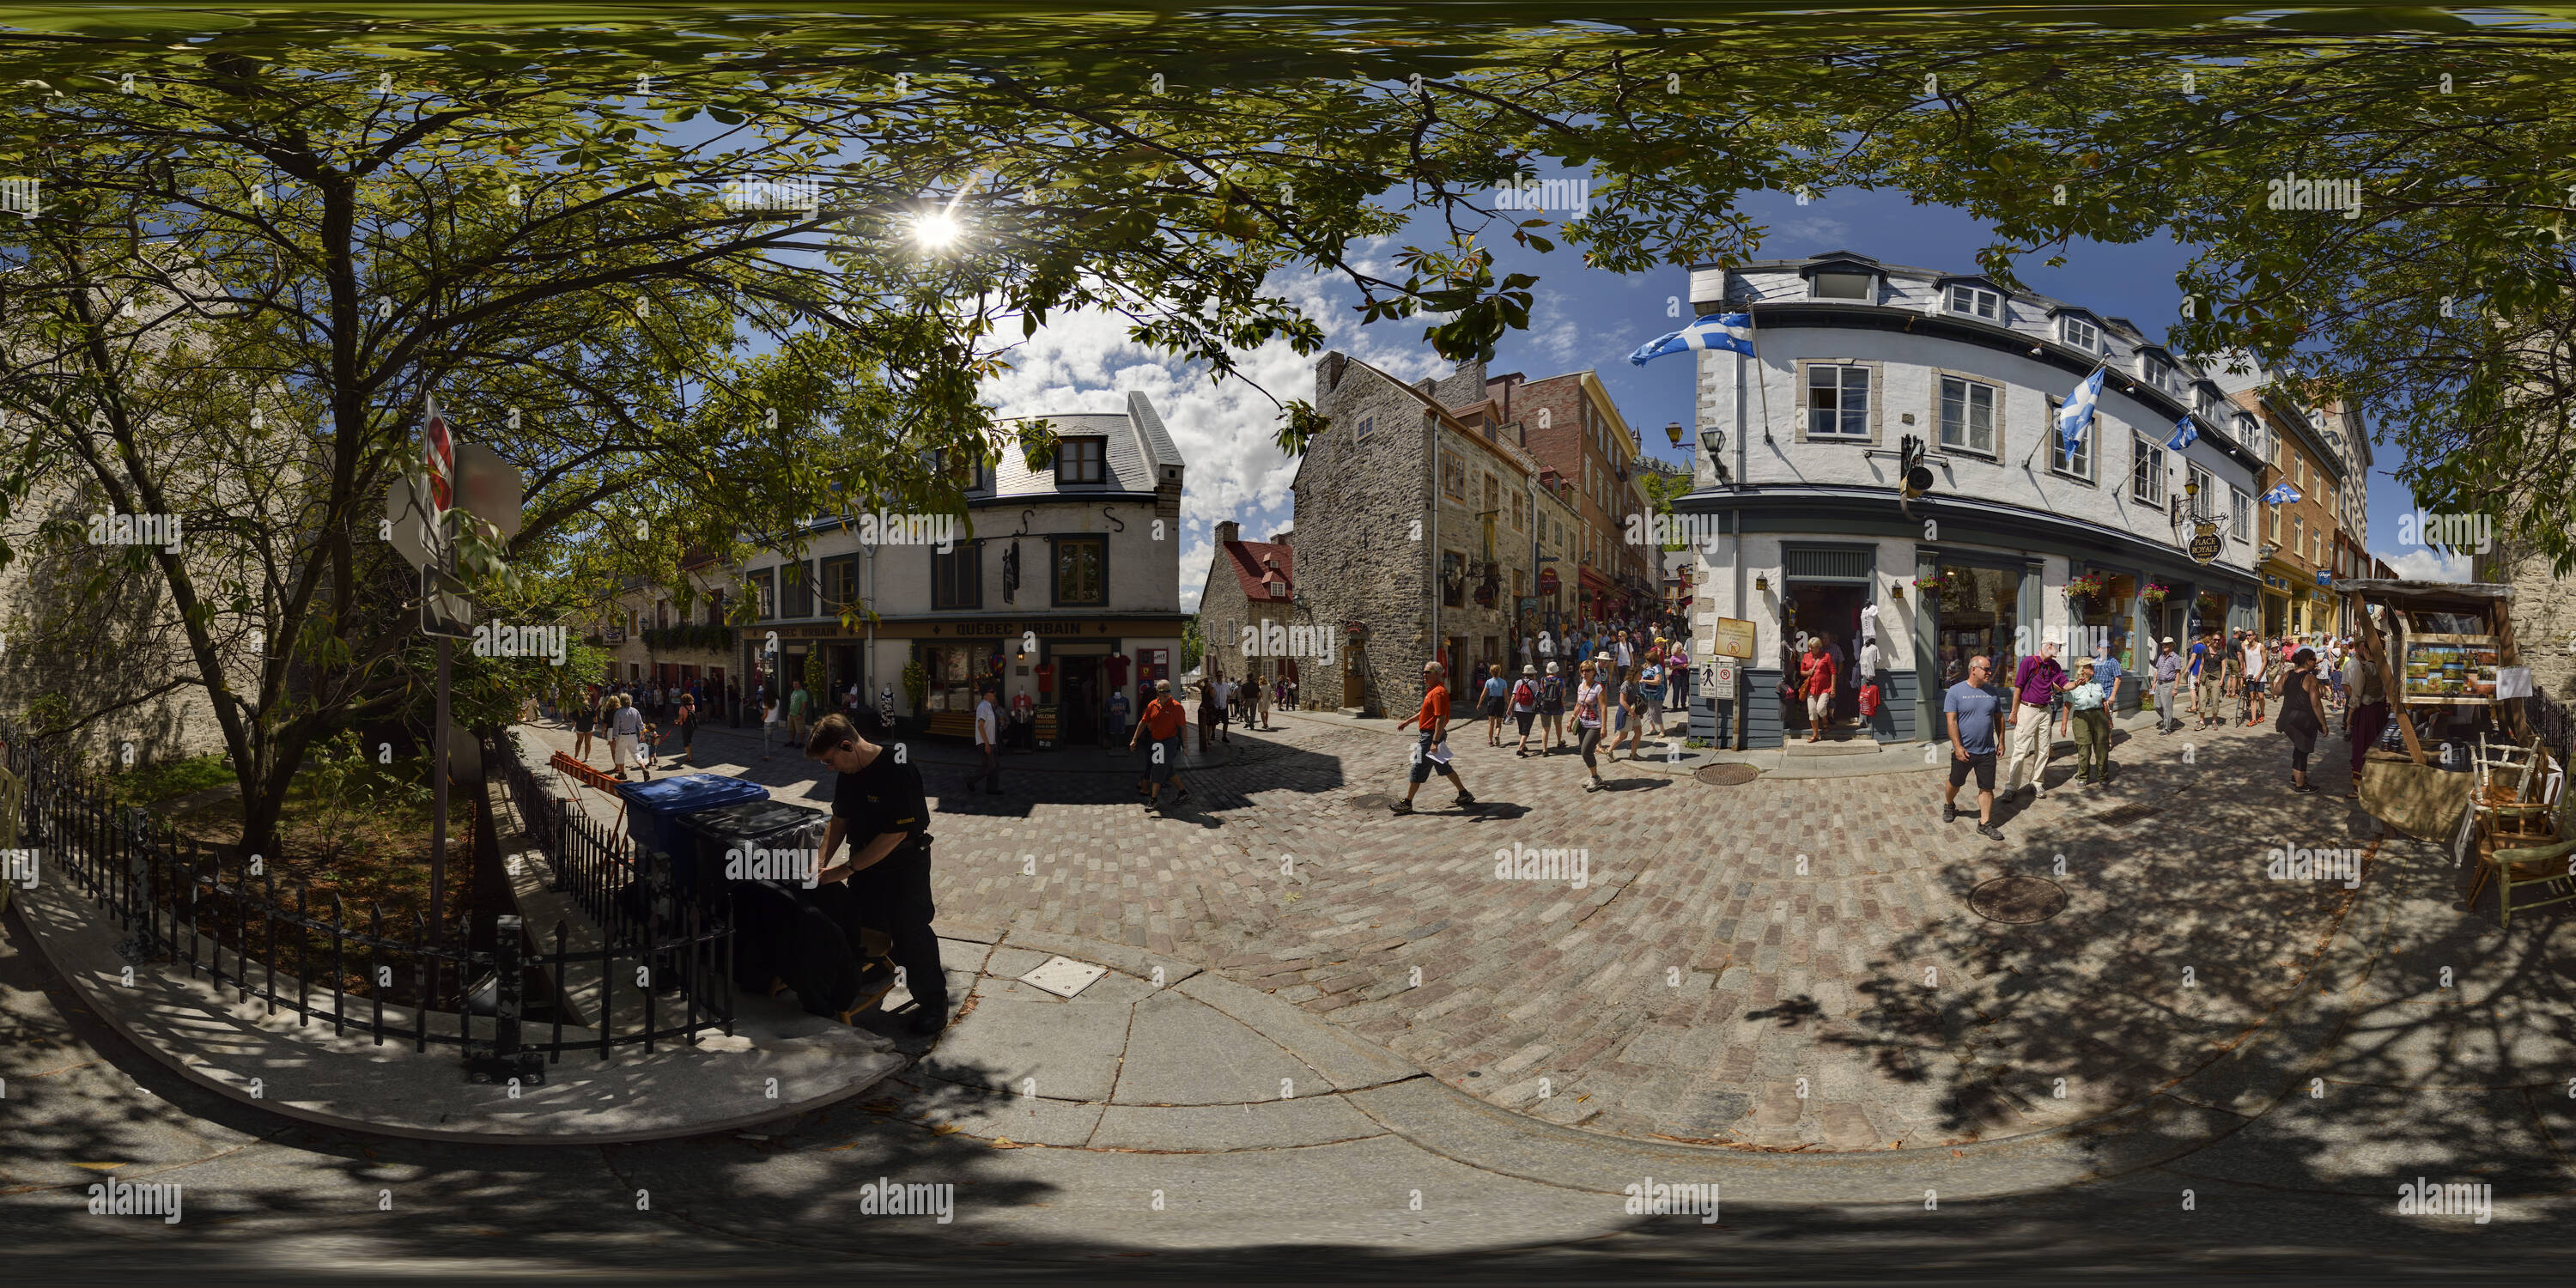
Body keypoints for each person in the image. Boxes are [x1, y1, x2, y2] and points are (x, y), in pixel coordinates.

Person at [805, 711, 948, 1036]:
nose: (829, 768)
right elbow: (839, 820)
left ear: (847, 745)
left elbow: (894, 835)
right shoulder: (848, 773)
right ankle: (880, 968)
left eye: (829, 761)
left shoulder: (898, 767)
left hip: (904, 866)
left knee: (912, 934)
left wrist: (843, 870)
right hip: (865, 863)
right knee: (864, 925)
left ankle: (934, 1004)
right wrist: (820, 860)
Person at [1393, 660, 1474, 814]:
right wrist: (1407, 722)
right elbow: (1424, 713)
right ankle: (1464, 794)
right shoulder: (1432, 691)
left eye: (1427, 672)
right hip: (1431, 735)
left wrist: (1435, 742)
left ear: (1437, 674)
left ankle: (1407, 803)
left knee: (1418, 765)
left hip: (1430, 737)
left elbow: (1440, 718)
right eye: (1423, 672)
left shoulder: (1438, 692)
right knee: (1444, 766)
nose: (1424, 675)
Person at [1943, 655, 2007, 841]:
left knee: (1987, 788)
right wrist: (1957, 747)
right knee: (1955, 782)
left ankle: (1984, 823)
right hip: (1964, 751)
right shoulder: (1955, 692)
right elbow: (1951, 721)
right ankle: (1949, 804)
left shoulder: (1993, 692)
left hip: (1987, 750)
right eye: (1986, 669)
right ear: (1973, 670)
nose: (1990, 672)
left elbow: (1999, 718)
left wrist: (2001, 741)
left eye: (1990, 669)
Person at [2003, 640, 2069, 799]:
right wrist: (2014, 712)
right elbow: (2018, 687)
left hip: (2046, 710)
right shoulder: (2028, 662)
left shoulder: (2055, 666)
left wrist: (2077, 684)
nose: (2059, 650)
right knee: (2021, 749)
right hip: (2027, 709)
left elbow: (2065, 686)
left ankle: (2037, 782)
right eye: (2058, 647)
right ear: (2049, 645)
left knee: (2044, 749)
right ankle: (2011, 787)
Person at [1131, 679, 1192, 812]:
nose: (1166, 694)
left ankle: (1153, 800)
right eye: (1163, 691)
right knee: (1167, 769)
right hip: (1156, 742)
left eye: (1168, 691)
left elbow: (1183, 727)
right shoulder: (1152, 705)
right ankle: (1183, 792)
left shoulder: (1176, 707)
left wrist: (1185, 745)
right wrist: (1134, 739)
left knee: (1158, 769)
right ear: (1157, 692)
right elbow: (1143, 722)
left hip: (1169, 742)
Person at [2277, 647, 2327, 794]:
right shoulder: (2310, 678)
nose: (2316, 661)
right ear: (2307, 661)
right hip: (2303, 720)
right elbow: (2316, 704)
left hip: (2286, 718)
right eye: (2313, 659)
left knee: (2299, 746)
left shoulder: (2287, 674)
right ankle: (2300, 785)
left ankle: (2296, 776)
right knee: (2302, 750)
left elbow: (2276, 691)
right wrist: (2323, 724)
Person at [2063, 659, 2111, 787]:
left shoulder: (2097, 683)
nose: (2093, 668)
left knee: (2102, 747)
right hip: (2081, 717)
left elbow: (2104, 702)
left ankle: (2103, 777)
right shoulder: (2073, 686)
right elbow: (2067, 706)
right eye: (2090, 666)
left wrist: (2109, 719)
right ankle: (2083, 776)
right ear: (2083, 669)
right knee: (2083, 747)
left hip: (2099, 715)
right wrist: (2063, 725)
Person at [1571, 659, 1608, 792]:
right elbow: (1578, 704)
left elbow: (1603, 708)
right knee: (1585, 752)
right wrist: (1571, 719)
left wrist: (1604, 727)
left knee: (1585, 751)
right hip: (1582, 724)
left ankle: (1595, 777)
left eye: (1588, 670)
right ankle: (1594, 776)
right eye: (1582, 670)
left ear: (1594, 672)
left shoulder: (1599, 687)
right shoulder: (1581, 687)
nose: (1584, 673)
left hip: (1595, 724)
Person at [1798, 634, 1838, 744]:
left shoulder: (1827, 656)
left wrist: (1833, 689)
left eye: (1813, 647)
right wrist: (1807, 672)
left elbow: (1833, 673)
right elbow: (1801, 671)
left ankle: (1825, 721)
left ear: (1819, 647)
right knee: (1812, 711)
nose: (1810, 649)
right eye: (1809, 647)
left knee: (1820, 708)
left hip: (1825, 688)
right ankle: (1815, 735)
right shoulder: (1806, 656)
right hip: (1811, 689)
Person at [609, 695, 646, 781]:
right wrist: (642, 734)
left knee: (620, 754)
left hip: (622, 736)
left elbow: (616, 727)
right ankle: (644, 769)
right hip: (633, 735)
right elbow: (641, 724)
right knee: (636, 753)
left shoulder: (618, 713)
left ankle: (622, 773)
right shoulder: (635, 711)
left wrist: (614, 738)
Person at [2152, 637, 2184, 735]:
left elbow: (2178, 673)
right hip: (2159, 684)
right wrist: (2154, 682)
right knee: (2157, 705)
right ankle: (2170, 720)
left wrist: (2175, 688)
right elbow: (2157, 670)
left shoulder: (2175, 657)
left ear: (2171, 646)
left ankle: (2166, 728)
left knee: (2167, 707)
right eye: (2163, 645)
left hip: (2169, 684)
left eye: (2166, 644)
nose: (2164, 646)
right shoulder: (2161, 656)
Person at [1509, 664, 1540, 756]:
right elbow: (1538, 695)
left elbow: (1514, 696)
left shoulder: (1518, 682)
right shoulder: (1534, 683)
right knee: (1526, 730)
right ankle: (1520, 749)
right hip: (1529, 710)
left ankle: (1524, 745)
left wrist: (1509, 708)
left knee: (1521, 728)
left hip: (1518, 709)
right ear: (1532, 674)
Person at [1539, 660, 1567, 752]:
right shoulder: (1560, 681)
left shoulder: (1543, 680)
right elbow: (1563, 694)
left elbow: (1541, 692)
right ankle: (1559, 742)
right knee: (1558, 724)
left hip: (1545, 706)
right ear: (1556, 671)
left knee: (1545, 728)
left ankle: (1545, 749)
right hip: (1557, 706)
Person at [2242, 632, 2269, 726]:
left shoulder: (2261, 647)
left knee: (2261, 697)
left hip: (2260, 676)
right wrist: (2245, 671)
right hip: (2250, 676)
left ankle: (2262, 713)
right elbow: (2244, 661)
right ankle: (2253, 719)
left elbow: (2265, 662)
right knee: (2252, 697)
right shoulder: (2245, 648)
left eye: (2250, 635)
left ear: (2254, 636)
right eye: (2247, 635)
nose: (2248, 637)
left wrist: (2259, 674)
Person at [1480, 662, 1510, 747]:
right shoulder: (1503, 682)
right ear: (1499, 672)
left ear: (1491, 672)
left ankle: (1490, 741)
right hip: (1500, 701)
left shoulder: (1488, 682)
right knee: (1499, 722)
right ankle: (1497, 734)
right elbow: (1506, 695)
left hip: (1491, 701)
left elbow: (1483, 694)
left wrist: (1479, 704)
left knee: (1491, 723)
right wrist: (1508, 705)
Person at [1640, 653, 1668, 738]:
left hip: (1656, 694)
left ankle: (1662, 730)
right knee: (1648, 712)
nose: (1646, 661)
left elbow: (1658, 681)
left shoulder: (1657, 668)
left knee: (1656, 712)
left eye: (1647, 660)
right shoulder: (1648, 666)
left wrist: (1644, 681)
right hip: (1647, 693)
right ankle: (1652, 728)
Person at [572, 691, 597, 763]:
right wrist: (595, 723)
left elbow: (574, 719)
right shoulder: (590, 706)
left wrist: (573, 727)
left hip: (580, 726)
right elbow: (594, 717)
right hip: (589, 726)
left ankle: (576, 756)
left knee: (579, 741)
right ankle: (586, 757)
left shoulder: (576, 707)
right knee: (588, 743)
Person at [1106, 685, 1131, 752]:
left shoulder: (1125, 700)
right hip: (1112, 722)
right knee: (1113, 734)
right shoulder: (1108, 700)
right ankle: (1114, 746)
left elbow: (1128, 711)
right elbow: (1106, 711)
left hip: (1121, 722)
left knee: (1121, 734)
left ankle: (1119, 746)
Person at [787, 680, 811, 744]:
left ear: (800, 685)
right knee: (791, 729)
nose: (795, 685)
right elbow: (791, 702)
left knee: (800, 730)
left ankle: (801, 742)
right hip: (792, 714)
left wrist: (800, 714)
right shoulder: (794, 692)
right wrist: (789, 712)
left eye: (796, 684)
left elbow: (804, 704)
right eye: (794, 684)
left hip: (799, 715)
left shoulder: (803, 693)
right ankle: (792, 741)